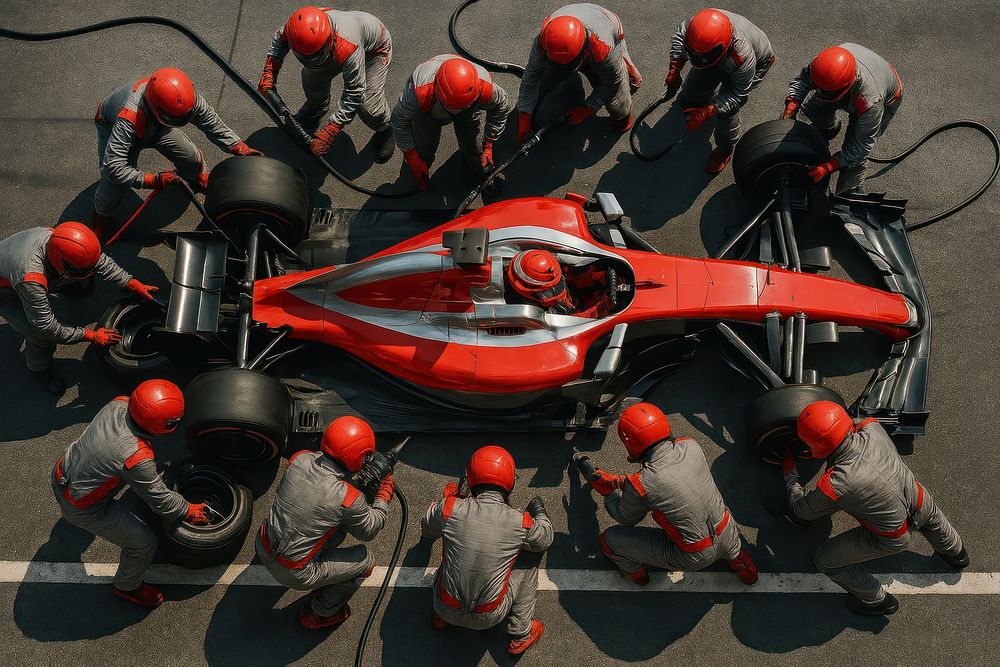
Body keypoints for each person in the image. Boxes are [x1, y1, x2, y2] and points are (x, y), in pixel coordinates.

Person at [783, 400, 968, 615]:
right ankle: (957, 555)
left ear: (817, 447)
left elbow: (801, 512)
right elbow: (854, 420)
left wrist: (790, 476)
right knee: (932, 517)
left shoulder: (835, 484)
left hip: (891, 537)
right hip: (919, 502)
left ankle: (875, 601)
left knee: (825, 561)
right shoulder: (872, 427)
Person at [52, 380, 208, 607]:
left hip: (61, 473)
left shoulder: (119, 403)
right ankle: (127, 587)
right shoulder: (136, 457)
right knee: (143, 544)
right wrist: (187, 509)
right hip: (82, 509)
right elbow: (160, 501)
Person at [590, 402, 758, 585]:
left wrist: (608, 493)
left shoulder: (641, 484)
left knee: (609, 540)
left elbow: (625, 517)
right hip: (729, 534)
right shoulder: (690, 446)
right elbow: (668, 479)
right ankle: (743, 566)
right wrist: (620, 481)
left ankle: (638, 576)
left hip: (695, 556)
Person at [256, 416, 394, 630]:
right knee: (366, 561)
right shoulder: (348, 498)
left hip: (264, 542)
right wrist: (383, 493)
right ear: (358, 457)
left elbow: (319, 489)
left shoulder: (300, 459)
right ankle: (320, 613)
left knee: (330, 523)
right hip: (294, 572)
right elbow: (370, 529)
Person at [93, 67, 260, 235]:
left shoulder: (185, 100)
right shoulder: (128, 117)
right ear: (157, 108)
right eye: (176, 118)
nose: (183, 120)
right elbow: (114, 167)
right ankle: (101, 214)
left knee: (191, 158)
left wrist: (238, 146)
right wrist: (153, 180)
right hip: (114, 125)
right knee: (112, 182)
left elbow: (210, 120)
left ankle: (196, 177)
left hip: (159, 125)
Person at [421, 445, 553, 656]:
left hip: (443, 605)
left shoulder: (449, 507)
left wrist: (448, 502)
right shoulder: (519, 521)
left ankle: (441, 619)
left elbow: (427, 529)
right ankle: (521, 633)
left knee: (452, 555)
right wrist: (540, 513)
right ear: (511, 483)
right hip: (488, 617)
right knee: (529, 565)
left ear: (470, 478)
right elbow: (544, 540)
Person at [0, 221, 157, 394]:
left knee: (80, 270)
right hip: (5, 294)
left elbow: (100, 262)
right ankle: (39, 369)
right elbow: (46, 328)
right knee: (39, 336)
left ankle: (66, 282)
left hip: (16, 268)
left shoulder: (62, 238)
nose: (93, 269)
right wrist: (89, 335)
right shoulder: (31, 279)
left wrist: (130, 282)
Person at [258, 5, 395, 163]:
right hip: (333, 51)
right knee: (313, 83)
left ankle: (385, 128)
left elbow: (354, 92)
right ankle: (314, 113)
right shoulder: (295, 28)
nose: (312, 59)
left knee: (368, 106)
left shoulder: (348, 45)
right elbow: (278, 40)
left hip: (373, 51)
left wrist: (331, 131)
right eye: (308, 55)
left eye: (316, 54)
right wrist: (269, 71)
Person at [664, 8, 774, 173]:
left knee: (726, 113)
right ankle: (696, 104)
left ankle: (725, 149)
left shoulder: (742, 55)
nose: (696, 60)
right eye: (693, 53)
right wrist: (675, 67)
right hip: (714, 55)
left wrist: (709, 111)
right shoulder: (695, 27)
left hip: (755, 63)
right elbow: (680, 38)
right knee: (692, 89)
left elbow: (737, 93)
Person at [782, 44, 903, 193]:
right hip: (850, 73)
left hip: (886, 94)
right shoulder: (821, 66)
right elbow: (802, 81)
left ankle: (847, 198)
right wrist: (792, 105)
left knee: (855, 159)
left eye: (827, 93)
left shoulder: (869, 102)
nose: (821, 94)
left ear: (844, 89)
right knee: (811, 109)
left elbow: (860, 148)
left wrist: (830, 166)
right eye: (820, 89)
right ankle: (829, 129)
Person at [517, 3, 642, 142]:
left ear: (583, 52)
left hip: (607, 24)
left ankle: (626, 67)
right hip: (576, 17)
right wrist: (524, 115)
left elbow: (612, 82)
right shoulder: (544, 40)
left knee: (618, 98)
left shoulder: (602, 48)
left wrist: (588, 107)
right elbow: (531, 75)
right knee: (545, 74)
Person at [391, 55, 511, 190]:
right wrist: (410, 155)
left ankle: (479, 167)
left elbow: (501, 108)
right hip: (427, 113)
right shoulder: (418, 92)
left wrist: (488, 143)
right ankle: (418, 173)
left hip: (469, 112)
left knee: (473, 145)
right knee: (423, 149)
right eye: (455, 108)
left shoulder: (485, 88)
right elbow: (398, 121)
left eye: (464, 106)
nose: (459, 112)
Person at [504, 249, 614, 317]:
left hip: (577, 296)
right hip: (576, 311)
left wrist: (600, 277)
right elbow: (570, 322)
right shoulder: (532, 310)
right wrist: (603, 306)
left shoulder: (539, 266)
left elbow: (569, 276)